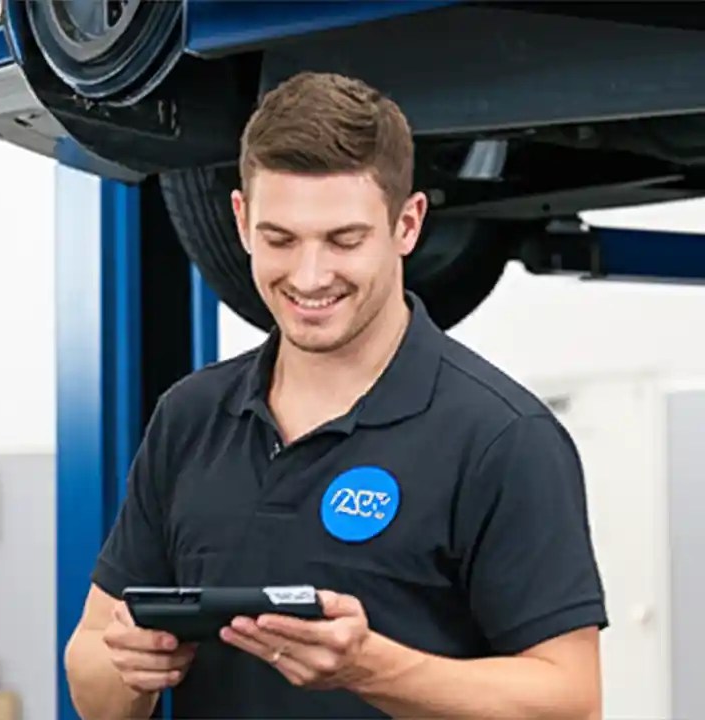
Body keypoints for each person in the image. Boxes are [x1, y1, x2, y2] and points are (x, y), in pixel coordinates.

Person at [62, 71, 607, 720]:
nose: (310, 276)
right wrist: (130, 666)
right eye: (280, 239)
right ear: (241, 220)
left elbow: (570, 702)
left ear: (407, 225)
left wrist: (371, 668)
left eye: (344, 240)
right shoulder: (190, 417)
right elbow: (93, 676)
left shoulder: (501, 438)